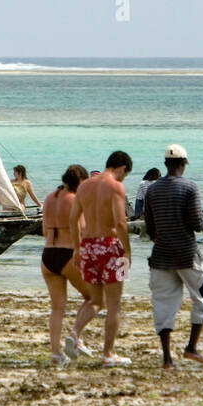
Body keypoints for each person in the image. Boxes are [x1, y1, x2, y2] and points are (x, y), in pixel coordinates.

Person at [66, 151, 133, 367]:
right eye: (125, 175)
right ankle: (108, 354)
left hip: (87, 246)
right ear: (121, 168)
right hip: (109, 246)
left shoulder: (84, 186)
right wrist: (127, 251)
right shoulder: (115, 186)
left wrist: (77, 248)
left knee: (96, 301)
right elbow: (120, 223)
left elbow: (73, 218)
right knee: (114, 305)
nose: (123, 179)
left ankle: (75, 333)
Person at [144, 144, 203, 369]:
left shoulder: (152, 190)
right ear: (183, 164)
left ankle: (167, 359)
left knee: (163, 306)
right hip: (187, 254)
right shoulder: (190, 187)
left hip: (160, 255)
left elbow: (150, 228)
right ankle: (191, 347)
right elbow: (197, 225)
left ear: (165, 165)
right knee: (202, 299)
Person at [41, 165, 98, 367]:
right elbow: (82, 229)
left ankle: (56, 353)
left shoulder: (49, 198)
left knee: (57, 308)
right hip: (67, 253)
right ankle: (75, 336)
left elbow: (43, 229)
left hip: (48, 255)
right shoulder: (75, 200)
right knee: (95, 297)